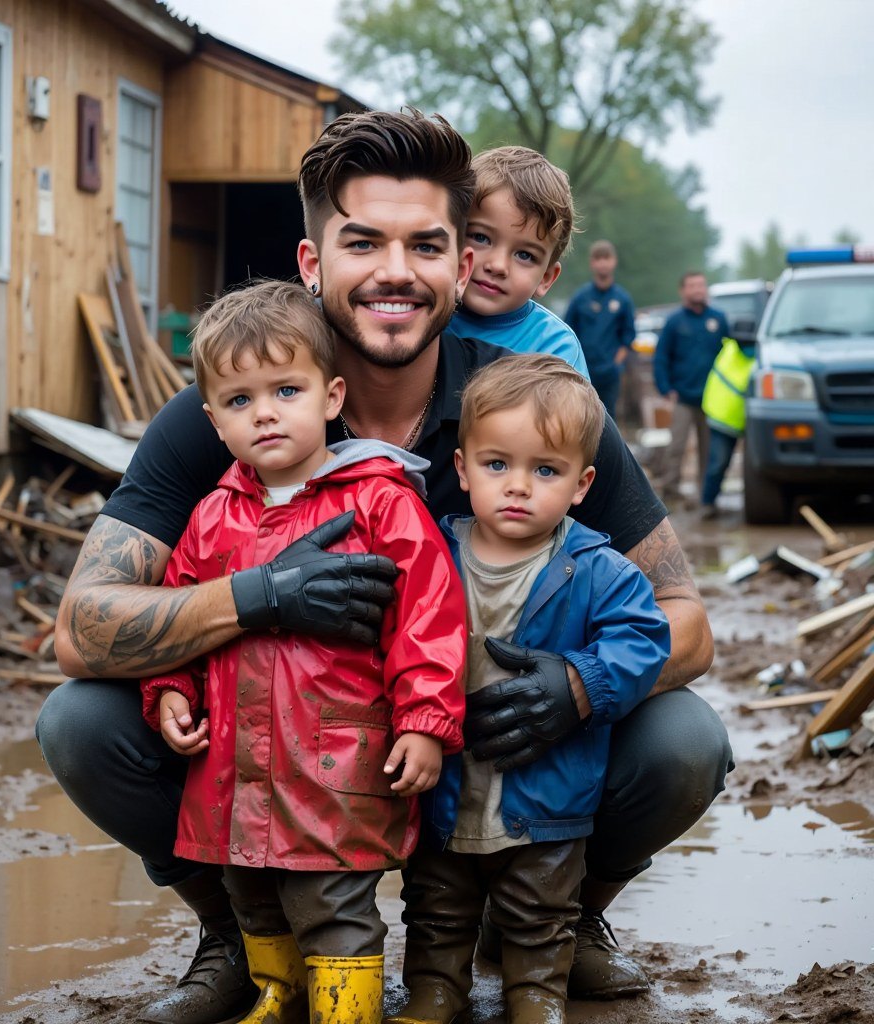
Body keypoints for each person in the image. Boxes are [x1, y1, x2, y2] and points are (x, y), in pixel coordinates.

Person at [36, 108, 732, 1024]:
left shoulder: (532, 411)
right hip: (281, 752)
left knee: (684, 743)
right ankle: (238, 936)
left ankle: (554, 922)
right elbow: (81, 631)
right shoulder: (236, 412)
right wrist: (257, 596)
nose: (396, 271)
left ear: (461, 265)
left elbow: (688, 624)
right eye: (363, 242)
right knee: (81, 723)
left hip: (492, 755)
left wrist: (575, 687)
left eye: (426, 245)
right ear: (313, 262)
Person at [138, 280, 467, 1024]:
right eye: (240, 399)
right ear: (214, 420)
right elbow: (179, 613)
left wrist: (424, 720)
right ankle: (278, 995)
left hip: (334, 757)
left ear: (331, 396)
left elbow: (429, 617)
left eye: (286, 390)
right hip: (234, 760)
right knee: (249, 889)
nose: (265, 412)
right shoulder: (211, 516)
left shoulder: (379, 501)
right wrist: (173, 688)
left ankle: (346, 1010)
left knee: (331, 896)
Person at [388, 355, 670, 1024]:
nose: (517, 486)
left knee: (541, 909)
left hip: (546, 789)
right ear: (462, 470)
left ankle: (536, 998)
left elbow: (644, 641)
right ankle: (435, 991)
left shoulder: (597, 569)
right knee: (436, 903)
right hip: (447, 783)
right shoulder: (431, 554)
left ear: (582, 484)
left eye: (545, 471)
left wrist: (582, 681)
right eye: (497, 465)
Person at [448, 146, 589, 377]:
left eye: (525, 255)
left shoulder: (554, 349)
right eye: (480, 237)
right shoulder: (425, 313)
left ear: (546, 278)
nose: (498, 266)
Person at [652, 272, 730, 505]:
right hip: (682, 396)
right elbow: (661, 357)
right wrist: (665, 388)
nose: (698, 289)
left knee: (709, 450)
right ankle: (670, 491)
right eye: (692, 285)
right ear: (683, 291)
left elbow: (730, 355)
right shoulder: (674, 322)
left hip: (712, 399)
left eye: (701, 285)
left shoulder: (718, 320)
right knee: (676, 447)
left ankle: (706, 496)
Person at [564, 240, 636, 418]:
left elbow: (628, 337)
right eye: (598, 258)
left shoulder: (623, 299)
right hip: (582, 371)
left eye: (607, 258)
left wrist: (615, 364)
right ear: (592, 263)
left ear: (614, 261)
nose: (603, 263)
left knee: (608, 419)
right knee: (582, 417)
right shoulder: (580, 298)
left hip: (610, 373)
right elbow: (567, 332)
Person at [699, 325, 757, 520]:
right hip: (723, 418)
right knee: (718, 463)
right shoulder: (729, 351)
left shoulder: (763, 356)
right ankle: (708, 503)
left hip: (752, 421)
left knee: (756, 467)